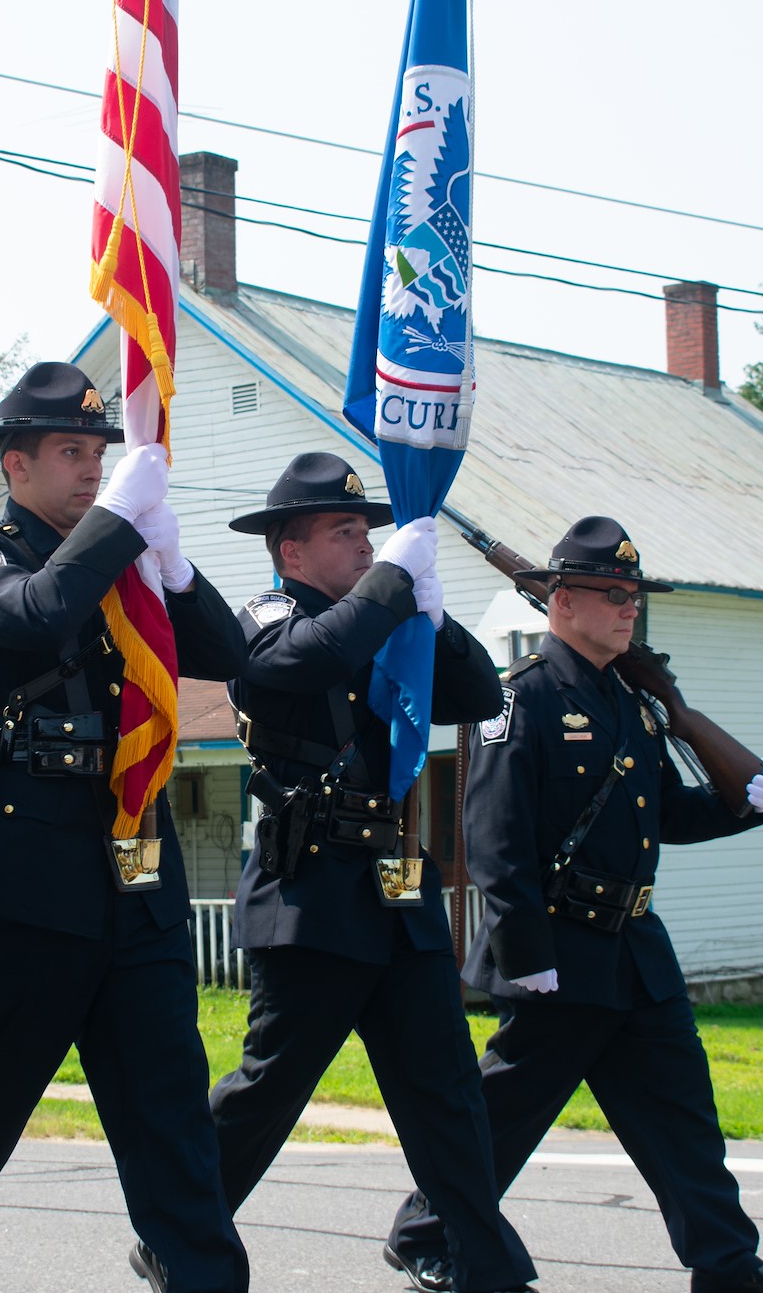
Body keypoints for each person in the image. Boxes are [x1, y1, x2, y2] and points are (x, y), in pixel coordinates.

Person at [382, 516, 763, 1293]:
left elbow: (662, 818)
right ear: (561, 603)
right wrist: (526, 955)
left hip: (635, 952)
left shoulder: (636, 701)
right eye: (613, 594)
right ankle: (426, 1231)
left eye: (634, 596)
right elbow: (495, 843)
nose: (629, 609)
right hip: (559, 947)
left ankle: (728, 1266)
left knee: (684, 1119)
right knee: (506, 1110)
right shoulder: (517, 699)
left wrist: (741, 803)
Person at [0, 361, 251, 1293]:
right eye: (68, 452)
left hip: (136, 865)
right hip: (31, 873)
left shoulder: (125, 564)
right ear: (14, 465)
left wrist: (170, 564)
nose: (91, 470)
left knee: (170, 1106)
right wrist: (117, 528)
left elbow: (228, 656)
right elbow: (36, 611)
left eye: (100, 451)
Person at [207, 453, 538, 1293]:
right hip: (312, 888)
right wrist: (391, 589)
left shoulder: (387, 617)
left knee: (448, 1092)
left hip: (398, 886)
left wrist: (433, 615)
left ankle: (485, 1268)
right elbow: (305, 661)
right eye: (345, 532)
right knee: (269, 1089)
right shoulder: (265, 616)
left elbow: (476, 696)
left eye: (368, 533)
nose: (365, 544)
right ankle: (182, 1225)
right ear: (291, 550)